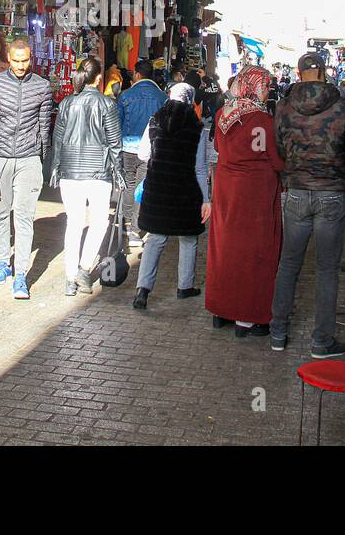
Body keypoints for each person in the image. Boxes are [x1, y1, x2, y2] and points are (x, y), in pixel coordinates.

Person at [270, 51, 345, 357]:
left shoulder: (283, 107)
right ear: (322, 72)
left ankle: (278, 333)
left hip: (297, 191)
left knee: (289, 264)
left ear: (299, 74)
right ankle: (322, 341)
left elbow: (280, 147)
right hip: (333, 193)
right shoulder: (343, 106)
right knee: (326, 269)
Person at [206, 65, 284, 338]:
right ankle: (247, 317)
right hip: (255, 194)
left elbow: (218, 148)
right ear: (253, 86)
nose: (267, 92)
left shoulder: (222, 116)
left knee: (225, 248)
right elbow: (272, 157)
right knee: (253, 252)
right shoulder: (261, 121)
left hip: (226, 189)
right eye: (264, 86)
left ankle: (221, 310)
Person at [0, 39, 53, 299]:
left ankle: (20, 274)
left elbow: (46, 127)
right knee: (0, 213)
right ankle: (2, 262)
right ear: (8, 59)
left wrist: (42, 160)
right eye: (16, 60)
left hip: (29, 157)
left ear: (30, 58)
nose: (21, 65)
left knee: (23, 217)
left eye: (25, 60)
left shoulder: (43, 87)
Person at [132, 82, 209, 310]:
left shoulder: (154, 120)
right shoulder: (196, 127)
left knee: (155, 238)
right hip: (185, 190)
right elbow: (200, 168)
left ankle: (142, 290)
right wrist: (206, 199)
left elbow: (143, 154)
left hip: (157, 187)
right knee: (188, 239)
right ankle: (184, 287)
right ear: (190, 100)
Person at [51, 56, 123, 296]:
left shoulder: (66, 104)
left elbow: (58, 139)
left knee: (74, 224)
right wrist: (119, 171)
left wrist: (55, 167)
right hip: (98, 173)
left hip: (70, 171)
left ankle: (71, 277)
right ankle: (83, 268)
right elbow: (115, 143)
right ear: (100, 78)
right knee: (99, 222)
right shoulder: (107, 104)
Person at [117, 58, 167, 247]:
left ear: (137, 75)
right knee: (142, 187)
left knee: (129, 184)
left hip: (127, 148)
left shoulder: (125, 96)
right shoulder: (162, 97)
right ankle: (135, 231)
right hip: (150, 149)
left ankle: (124, 222)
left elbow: (117, 125)